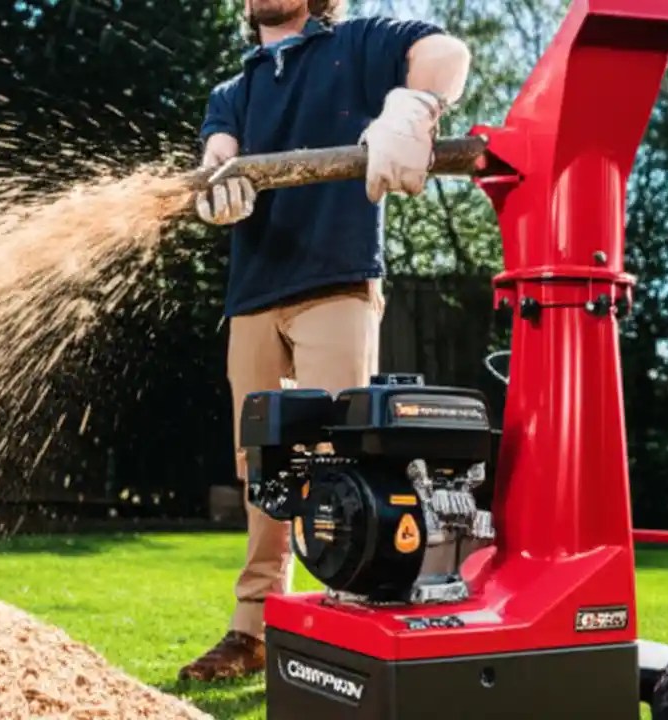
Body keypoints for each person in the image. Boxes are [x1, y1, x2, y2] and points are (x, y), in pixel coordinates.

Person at [179, 0, 472, 682]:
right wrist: (212, 184)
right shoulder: (235, 89)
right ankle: (252, 630)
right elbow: (217, 152)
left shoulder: (362, 43)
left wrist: (413, 106)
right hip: (253, 295)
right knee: (263, 467)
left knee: (345, 458)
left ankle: (355, 614)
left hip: (336, 281)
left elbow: (446, 54)